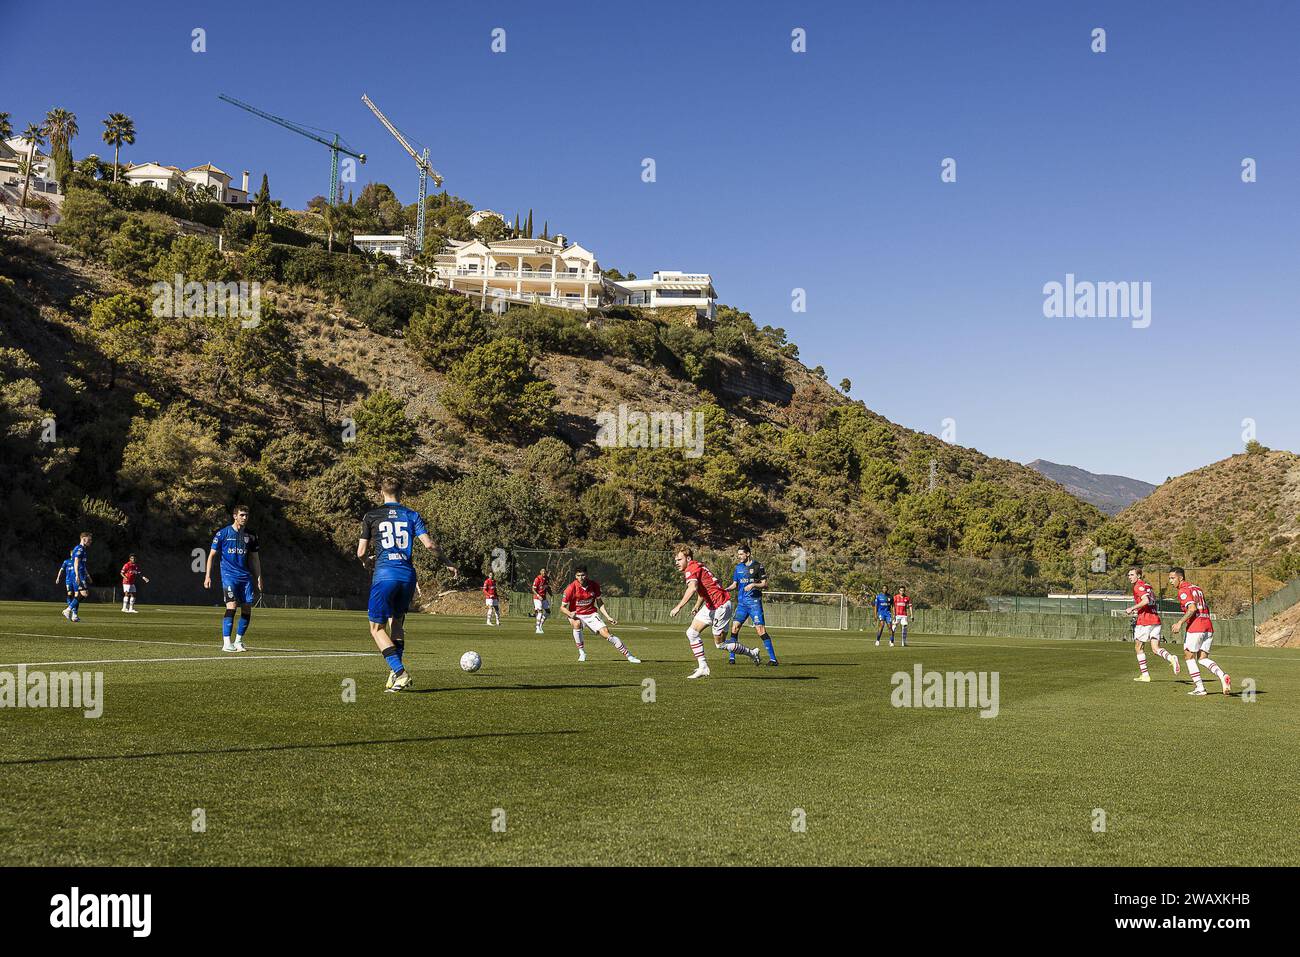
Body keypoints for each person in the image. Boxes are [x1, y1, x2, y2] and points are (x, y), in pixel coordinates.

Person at [357, 477, 456, 692]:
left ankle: (400, 672)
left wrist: (366, 562)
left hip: (385, 575)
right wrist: (447, 562)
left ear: (380, 492)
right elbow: (429, 545)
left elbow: (361, 552)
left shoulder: (371, 516)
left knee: (376, 628)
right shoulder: (412, 515)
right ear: (401, 493)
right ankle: (395, 673)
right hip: (407, 576)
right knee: (397, 623)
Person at [670, 547, 758, 678]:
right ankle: (703, 667)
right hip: (711, 606)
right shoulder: (696, 567)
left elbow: (693, 588)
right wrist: (697, 606)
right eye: (676, 560)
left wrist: (678, 606)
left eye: (679, 559)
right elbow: (704, 589)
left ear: (688, 559)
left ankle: (751, 653)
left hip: (721, 606)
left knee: (720, 644)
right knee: (692, 633)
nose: (677, 562)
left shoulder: (691, 569)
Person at [204, 505, 263, 653]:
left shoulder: (251, 535)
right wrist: (207, 576)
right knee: (231, 606)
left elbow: (255, 558)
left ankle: (238, 641)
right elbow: (211, 555)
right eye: (242, 515)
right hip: (229, 576)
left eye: (247, 515)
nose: (245, 518)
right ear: (234, 516)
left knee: (247, 607)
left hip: (245, 577)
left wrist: (259, 577)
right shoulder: (222, 533)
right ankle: (226, 643)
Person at [1169, 567, 1230, 697]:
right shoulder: (1197, 588)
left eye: (1172, 578)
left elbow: (1192, 608)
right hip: (1208, 625)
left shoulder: (1183, 590)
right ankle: (1222, 675)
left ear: (1180, 578)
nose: (1170, 581)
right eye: (1169, 578)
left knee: (1188, 656)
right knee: (1202, 659)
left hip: (1196, 627)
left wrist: (1180, 623)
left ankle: (1200, 687)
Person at [560, 566, 640, 663]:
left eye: (583, 575)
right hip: (576, 615)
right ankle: (582, 652)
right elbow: (562, 607)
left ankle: (629, 656)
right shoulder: (571, 588)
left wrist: (608, 617)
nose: (581, 577)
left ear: (587, 575)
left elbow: (599, 603)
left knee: (606, 633)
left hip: (591, 614)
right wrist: (570, 614)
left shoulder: (594, 585)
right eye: (578, 575)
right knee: (577, 624)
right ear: (575, 576)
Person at [1125, 566, 1179, 682]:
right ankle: (1171, 658)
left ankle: (1145, 675)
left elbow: (1146, 601)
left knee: (1138, 647)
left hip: (1145, 621)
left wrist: (1132, 608)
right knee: (1155, 648)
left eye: (1132, 575)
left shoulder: (1138, 586)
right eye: (1129, 575)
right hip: (1155, 620)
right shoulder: (1147, 586)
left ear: (1138, 576)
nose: (1129, 577)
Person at [727, 545, 778, 665]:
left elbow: (765, 584)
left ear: (748, 554)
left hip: (754, 603)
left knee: (760, 630)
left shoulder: (757, 566)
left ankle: (773, 659)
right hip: (742, 604)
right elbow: (735, 584)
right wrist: (725, 590)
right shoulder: (738, 568)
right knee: (734, 628)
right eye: (738, 554)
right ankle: (732, 657)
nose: (739, 556)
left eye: (741, 554)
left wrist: (754, 585)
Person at [56, 556, 81, 621]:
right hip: (68, 580)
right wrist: (58, 577)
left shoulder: (77, 561)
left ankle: (74, 613)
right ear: (70, 554)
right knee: (69, 594)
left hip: (75, 580)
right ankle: (71, 609)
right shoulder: (66, 561)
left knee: (77, 595)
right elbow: (61, 569)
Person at [532, 568, 552, 635]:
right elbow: (533, 589)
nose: (544, 572)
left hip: (544, 598)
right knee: (540, 612)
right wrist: (538, 595)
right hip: (537, 598)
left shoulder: (547, 579)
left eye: (545, 572)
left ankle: (540, 625)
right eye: (543, 571)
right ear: (540, 572)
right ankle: (537, 628)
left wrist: (551, 594)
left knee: (548, 612)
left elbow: (547, 588)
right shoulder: (537, 579)